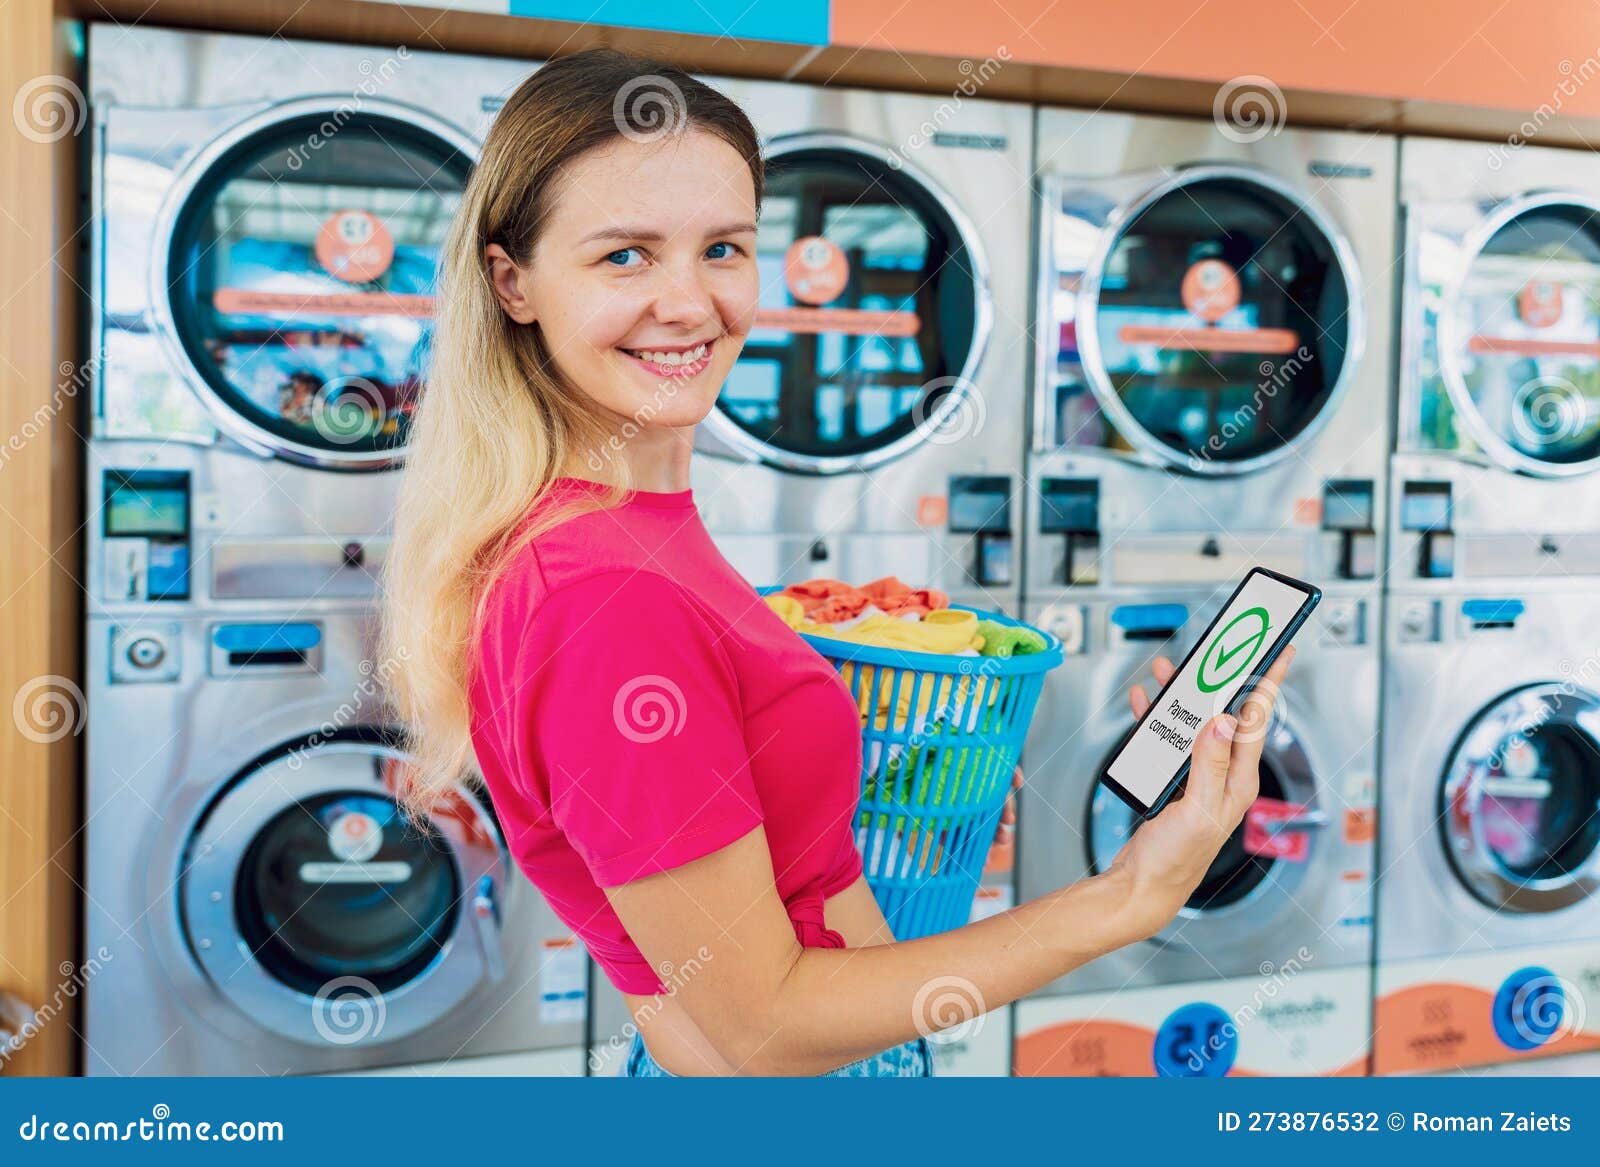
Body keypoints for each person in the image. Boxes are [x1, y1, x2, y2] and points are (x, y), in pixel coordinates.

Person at [380, 48, 1294, 1078]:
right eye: (624, 257)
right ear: (513, 282)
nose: (688, 304)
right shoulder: (605, 595)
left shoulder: (628, 527)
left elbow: (773, 844)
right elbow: (762, 1027)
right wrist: (1129, 896)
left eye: (723, 248)